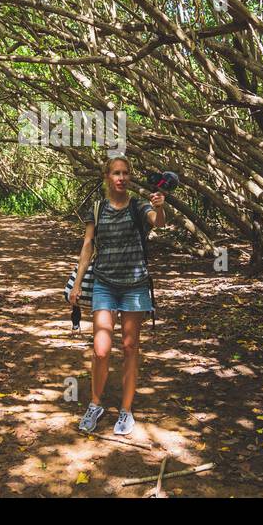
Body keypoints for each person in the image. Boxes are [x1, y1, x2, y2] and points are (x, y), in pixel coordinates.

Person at [70, 155, 165, 435]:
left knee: (129, 347)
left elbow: (157, 222)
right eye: (116, 173)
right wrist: (77, 283)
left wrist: (161, 208)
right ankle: (95, 404)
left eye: (125, 173)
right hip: (104, 284)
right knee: (101, 350)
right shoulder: (97, 208)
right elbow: (88, 245)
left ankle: (125, 411)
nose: (121, 178)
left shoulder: (140, 205)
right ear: (107, 177)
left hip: (134, 286)